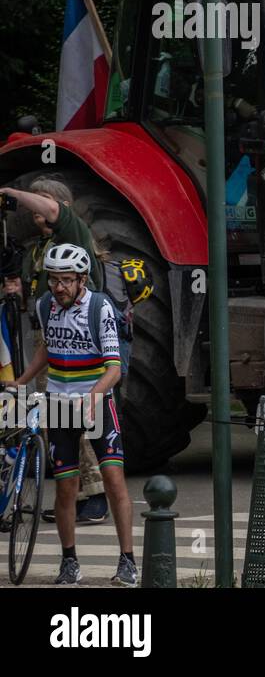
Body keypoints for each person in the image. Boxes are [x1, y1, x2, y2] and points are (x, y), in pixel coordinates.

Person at [10, 243, 137, 586]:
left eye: (66, 280)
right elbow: (47, 347)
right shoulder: (45, 305)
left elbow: (113, 369)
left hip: (95, 402)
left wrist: (91, 398)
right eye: (54, 280)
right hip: (59, 403)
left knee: (113, 480)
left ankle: (127, 561)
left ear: (82, 279)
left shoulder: (100, 308)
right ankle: (70, 562)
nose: (59, 287)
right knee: (66, 488)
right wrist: (19, 383)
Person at [0, 180, 109, 524]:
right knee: (57, 425)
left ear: (62, 204)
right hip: (52, 340)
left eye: (43, 200)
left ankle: (93, 498)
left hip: (79, 345)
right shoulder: (42, 247)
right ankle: (73, 496)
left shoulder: (72, 232)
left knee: (77, 420)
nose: (37, 210)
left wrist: (11, 193)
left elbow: (51, 210)